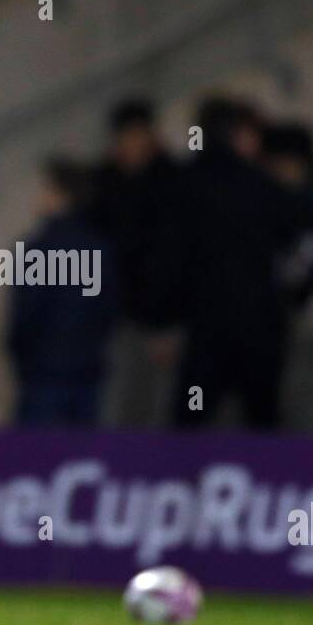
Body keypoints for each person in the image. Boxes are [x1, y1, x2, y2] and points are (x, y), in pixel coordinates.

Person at [170, 97, 307, 429]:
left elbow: (169, 258)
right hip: (259, 325)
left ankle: (180, 479)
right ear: (239, 135)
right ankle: (264, 480)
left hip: (203, 326)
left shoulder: (183, 184)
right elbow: (300, 244)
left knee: (191, 418)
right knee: (261, 419)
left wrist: (164, 319)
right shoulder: (264, 186)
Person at [89, 98, 182, 428]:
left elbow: (174, 260)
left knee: (160, 413)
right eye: (126, 137)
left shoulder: (172, 182)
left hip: (164, 322)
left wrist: (164, 322)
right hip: (117, 320)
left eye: (139, 135)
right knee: (119, 412)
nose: (133, 145)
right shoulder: (101, 186)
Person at [7, 158, 117, 425]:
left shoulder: (36, 249)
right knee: (82, 455)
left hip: (43, 372)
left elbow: (26, 313)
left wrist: (20, 353)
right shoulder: (98, 248)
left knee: (31, 457)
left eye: (46, 188)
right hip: (86, 368)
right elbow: (108, 308)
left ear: (60, 196)